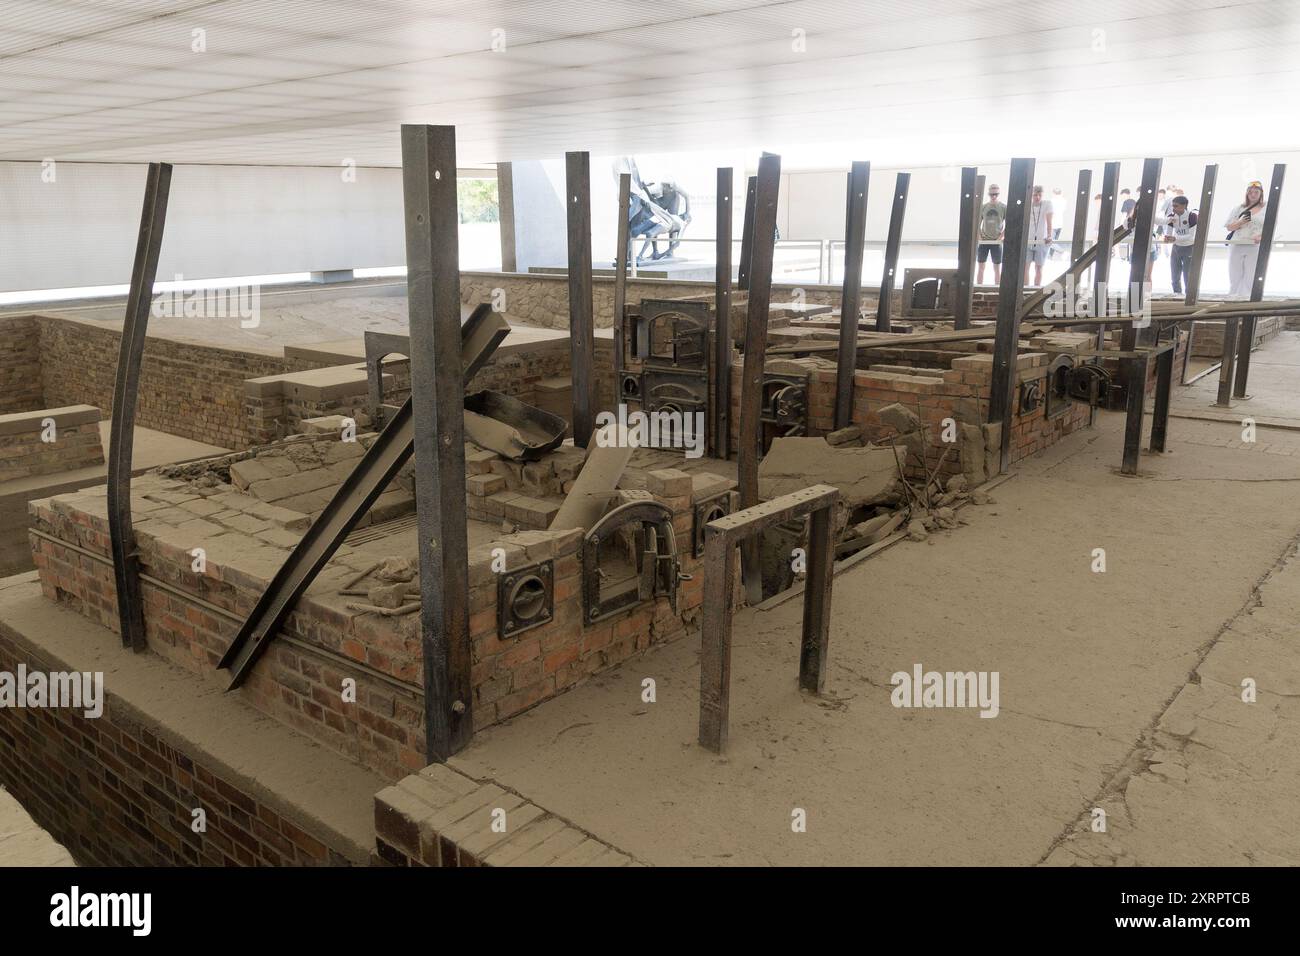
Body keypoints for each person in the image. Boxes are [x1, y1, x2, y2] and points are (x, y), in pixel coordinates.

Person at [1224, 180, 1267, 299]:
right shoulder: (1239, 208)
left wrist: (1261, 236)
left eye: (1256, 192)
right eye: (1250, 192)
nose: (1253, 194)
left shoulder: (1267, 208)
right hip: (1237, 243)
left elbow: (1271, 226)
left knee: (1251, 274)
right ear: (1247, 193)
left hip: (1254, 245)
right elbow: (1229, 226)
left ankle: (1248, 298)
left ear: (1261, 193)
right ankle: (1232, 297)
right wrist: (1240, 222)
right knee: (1235, 274)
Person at [1163, 195, 1198, 295]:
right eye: (1173, 206)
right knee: (1174, 275)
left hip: (1189, 247)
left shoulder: (1192, 216)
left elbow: (1191, 236)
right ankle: (1177, 295)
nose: (1173, 208)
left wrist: (1175, 238)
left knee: (1188, 275)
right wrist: (1167, 237)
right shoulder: (1171, 216)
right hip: (1176, 248)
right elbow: (1169, 232)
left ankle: (1189, 296)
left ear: (1184, 206)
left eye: (1176, 206)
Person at [976, 184, 1006, 284]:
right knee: (981, 267)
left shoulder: (1003, 207)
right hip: (984, 240)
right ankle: (978, 288)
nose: (994, 196)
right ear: (988, 194)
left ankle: (997, 289)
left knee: (997, 267)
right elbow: (977, 223)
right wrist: (979, 237)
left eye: (996, 194)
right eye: (992, 194)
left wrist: (1000, 237)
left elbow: (1009, 224)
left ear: (999, 194)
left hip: (996, 242)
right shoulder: (983, 207)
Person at [1024, 185, 1053, 286]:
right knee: (1025, 267)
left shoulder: (1047, 204)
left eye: (1040, 195)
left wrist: (1049, 235)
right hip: (1028, 240)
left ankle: (1035, 290)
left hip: (1041, 240)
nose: (1037, 197)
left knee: (1039, 267)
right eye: (1035, 195)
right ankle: (1025, 290)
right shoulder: (1027, 204)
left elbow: (1049, 221)